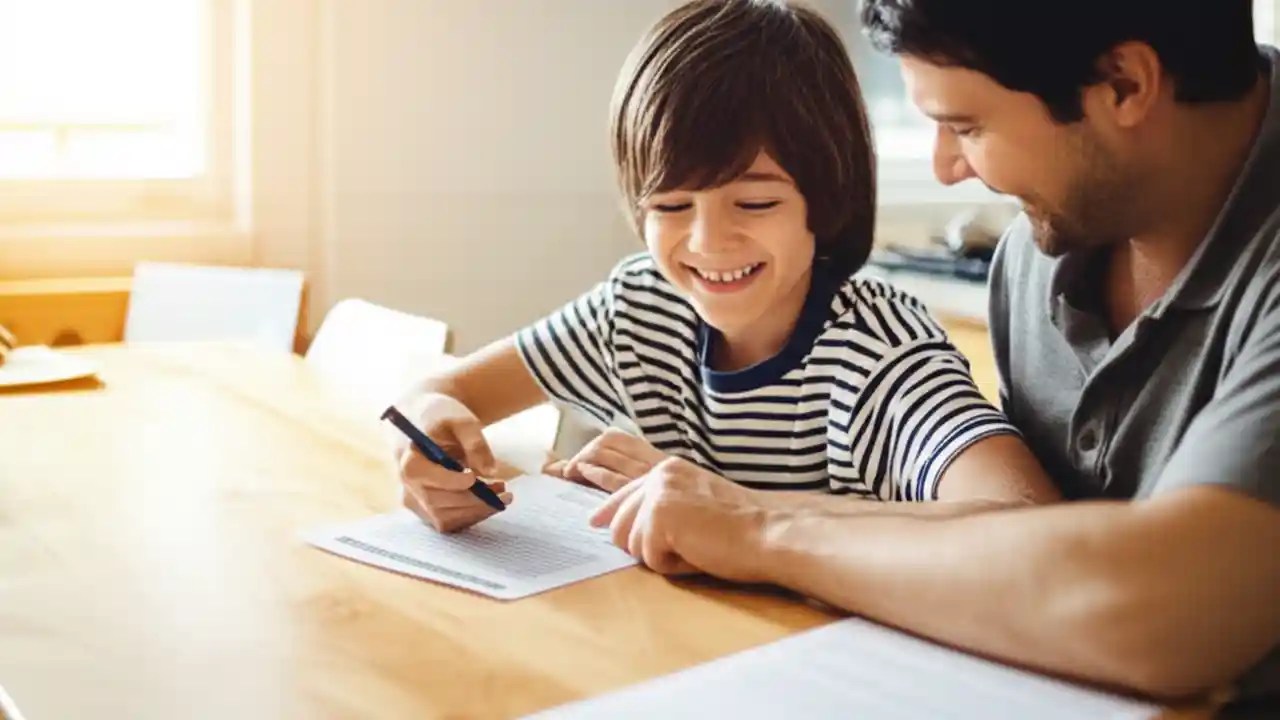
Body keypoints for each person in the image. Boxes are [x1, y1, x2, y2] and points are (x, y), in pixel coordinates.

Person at [592, 0, 1280, 707]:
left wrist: (758, 528)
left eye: (966, 126)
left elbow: (1164, 612)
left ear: (1125, 85)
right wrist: (736, 515)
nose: (946, 169)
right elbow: (1018, 543)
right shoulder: (1037, 256)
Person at [391, 0, 1059, 539]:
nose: (708, 241)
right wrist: (433, 450)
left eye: (755, 201)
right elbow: (437, 389)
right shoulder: (640, 308)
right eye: (672, 204)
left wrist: (729, 508)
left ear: (824, 198)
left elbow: (1021, 520)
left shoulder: (876, 349)